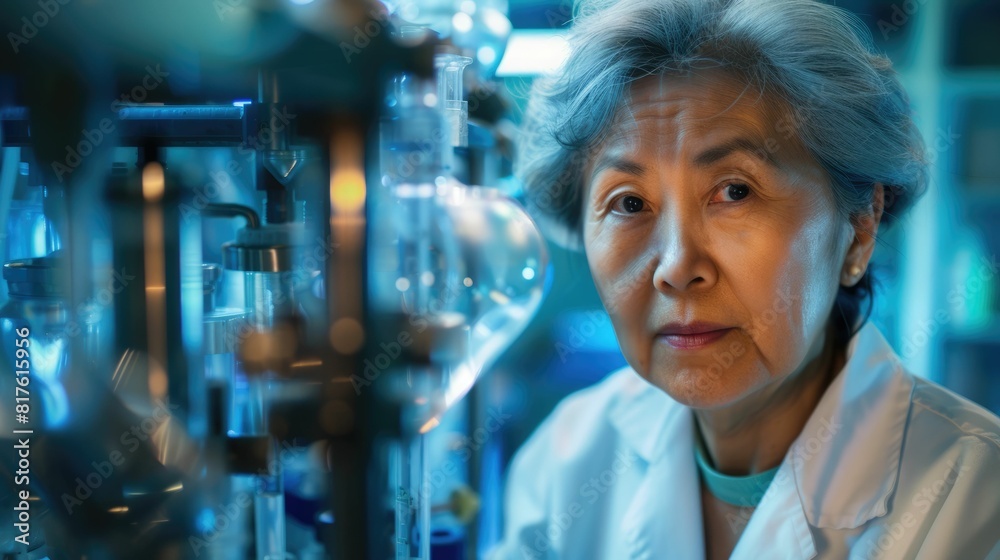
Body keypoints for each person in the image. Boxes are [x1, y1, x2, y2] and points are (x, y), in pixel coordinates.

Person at [488, 0, 1000, 558]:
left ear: (858, 228)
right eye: (630, 202)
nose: (678, 267)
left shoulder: (976, 501)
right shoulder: (566, 461)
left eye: (735, 191)